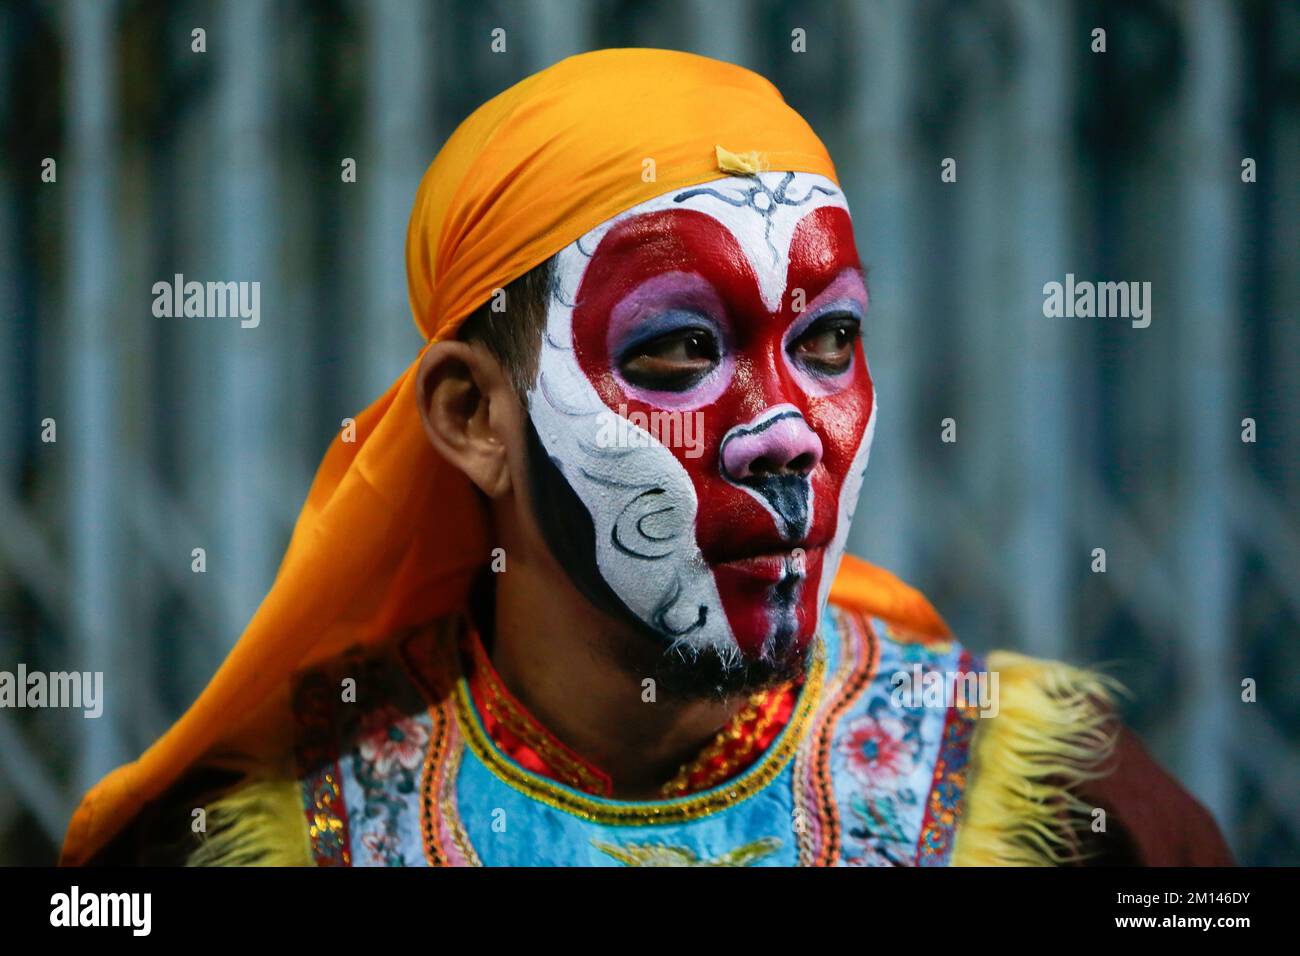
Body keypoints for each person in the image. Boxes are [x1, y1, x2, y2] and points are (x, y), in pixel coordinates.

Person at [61, 48, 1232, 868]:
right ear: (474, 415)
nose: (788, 430)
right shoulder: (266, 833)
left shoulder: (1071, 812)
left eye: (828, 339)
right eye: (678, 348)